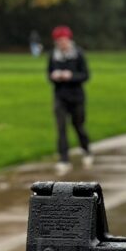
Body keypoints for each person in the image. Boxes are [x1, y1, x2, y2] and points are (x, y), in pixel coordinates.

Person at [47, 25, 92, 175]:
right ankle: (64, 159)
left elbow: (85, 75)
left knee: (78, 125)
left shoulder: (78, 54)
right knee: (61, 128)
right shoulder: (53, 55)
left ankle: (86, 150)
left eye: (64, 40)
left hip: (76, 96)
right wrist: (55, 76)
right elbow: (48, 74)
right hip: (60, 96)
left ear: (69, 39)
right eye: (59, 41)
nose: (62, 43)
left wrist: (71, 76)